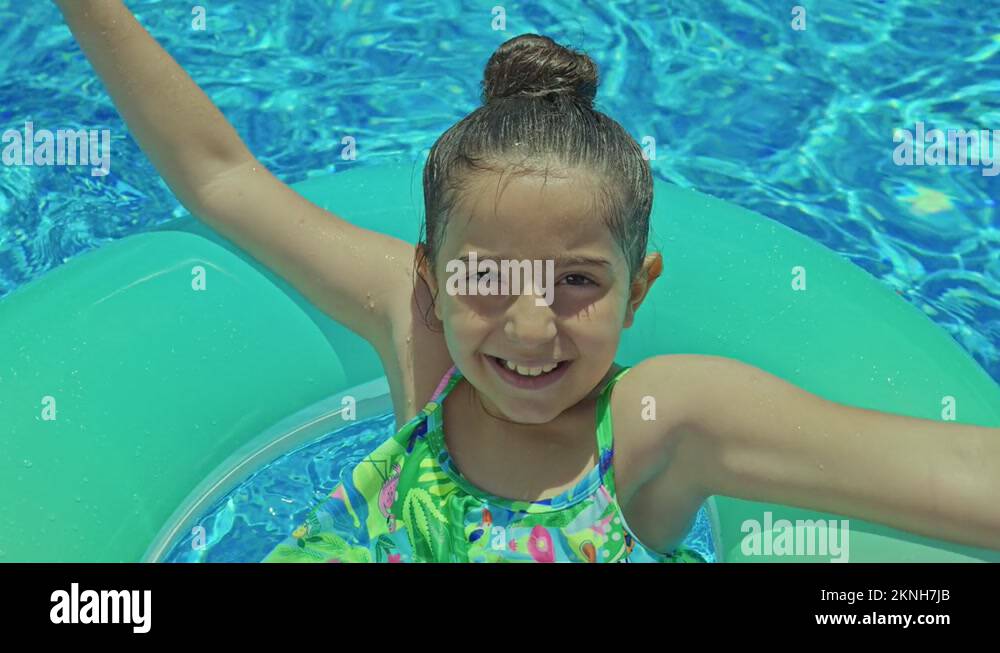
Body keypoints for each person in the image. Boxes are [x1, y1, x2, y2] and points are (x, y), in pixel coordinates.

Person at [55, 1, 1000, 562]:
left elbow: (959, 472)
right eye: (487, 276)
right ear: (429, 276)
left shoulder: (659, 427)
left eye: (580, 281)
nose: (531, 327)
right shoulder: (420, 334)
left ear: (641, 289)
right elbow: (222, 178)